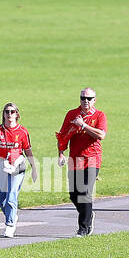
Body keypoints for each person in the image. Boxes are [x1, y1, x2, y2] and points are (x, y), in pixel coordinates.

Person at [56, 87, 107, 236]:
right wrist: (61, 153)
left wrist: (83, 125)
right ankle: (88, 213)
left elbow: (101, 135)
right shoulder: (72, 114)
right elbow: (62, 135)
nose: (85, 101)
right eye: (83, 98)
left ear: (94, 100)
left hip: (92, 158)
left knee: (84, 192)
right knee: (74, 194)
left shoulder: (99, 115)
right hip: (75, 158)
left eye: (89, 99)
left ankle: (83, 228)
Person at [0, 102, 39, 237]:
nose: (9, 114)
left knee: (11, 196)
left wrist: (34, 167)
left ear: (17, 114)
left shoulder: (22, 132)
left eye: (12, 112)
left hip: (17, 166)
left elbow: (28, 151)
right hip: (1, 165)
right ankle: (12, 215)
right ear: (3, 114)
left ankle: (10, 225)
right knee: (1, 198)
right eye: (6, 112)